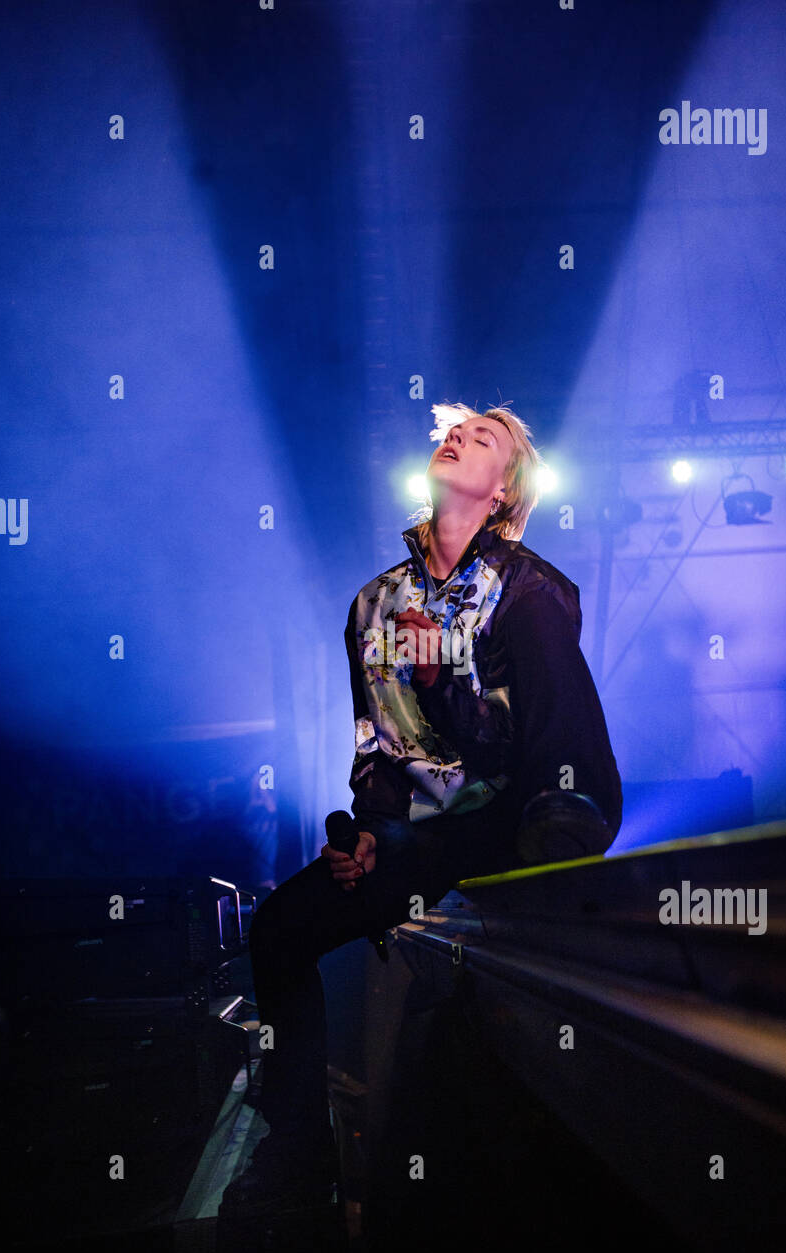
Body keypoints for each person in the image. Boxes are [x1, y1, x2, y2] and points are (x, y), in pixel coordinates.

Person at [220, 400, 622, 1211]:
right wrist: (363, 833)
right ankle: (298, 1152)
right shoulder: (374, 604)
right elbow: (378, 745)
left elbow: (539, 738)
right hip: (423, 834)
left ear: (505, 491)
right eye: (455, 430)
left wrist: (449, 686)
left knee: (483, 1001)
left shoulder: (528, 591)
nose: (458, 437)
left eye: (483, 439)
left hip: (512, 811)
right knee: (279, 930)